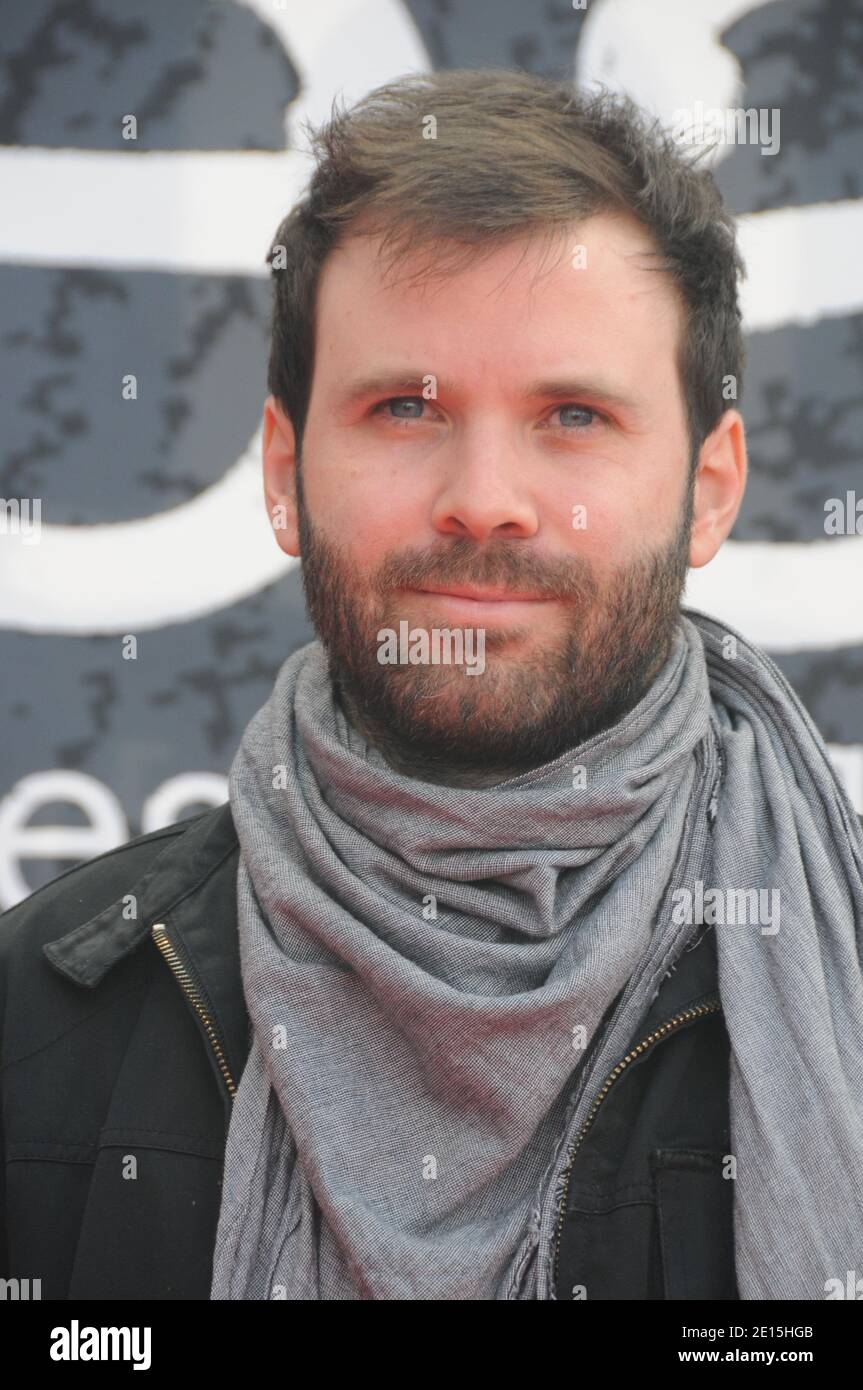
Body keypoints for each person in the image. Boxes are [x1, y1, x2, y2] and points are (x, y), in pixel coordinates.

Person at [2, 68, 862, 1303]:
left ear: (709, 487)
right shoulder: (36, 1031)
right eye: (405, 405)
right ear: (287, 472)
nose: (484, 498)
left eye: (571, 414)